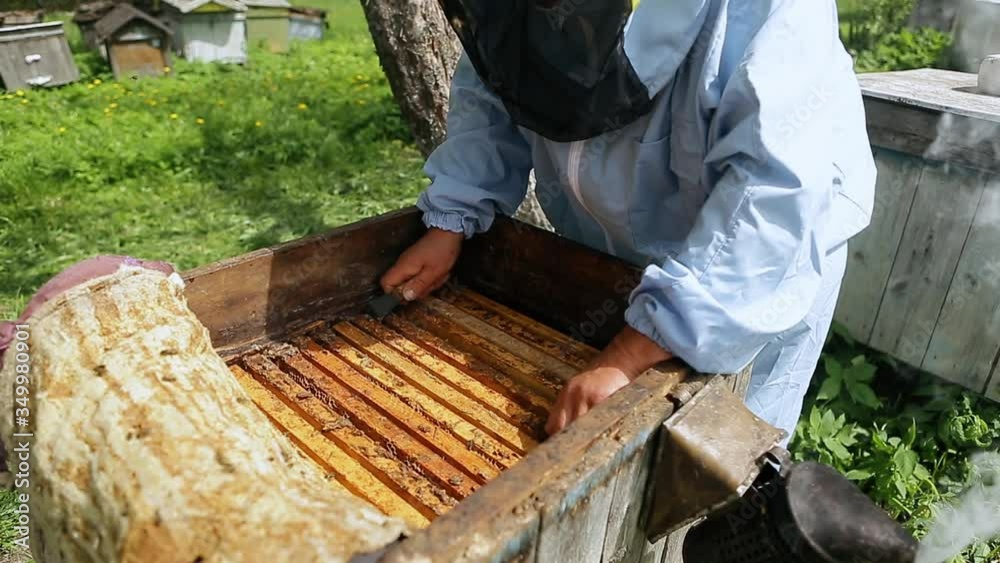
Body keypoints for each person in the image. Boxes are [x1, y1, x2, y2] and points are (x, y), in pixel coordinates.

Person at [381, 0, 876, 439]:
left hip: (752, 272)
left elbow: (770, 189)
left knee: (720, 458)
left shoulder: (770, 11)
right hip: (611, 243)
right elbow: (497, 76)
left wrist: (631, 354)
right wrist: (454, 215)